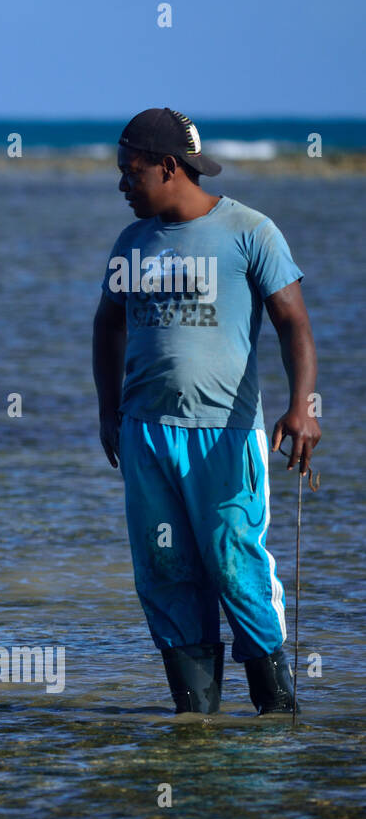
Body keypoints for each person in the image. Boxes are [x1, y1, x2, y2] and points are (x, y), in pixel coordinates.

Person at [92, 108, 321, 715]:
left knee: (233, 562)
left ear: (170, 167)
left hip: (223, 435)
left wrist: (301, 408)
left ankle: (278, 715)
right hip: (145, 435)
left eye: (131, 172)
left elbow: (293, 323)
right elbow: (107, 324)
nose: (122, 185)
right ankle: (195, 723)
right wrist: (107, 409)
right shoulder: (132, 243)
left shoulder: (250, 231)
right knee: (165, 571)